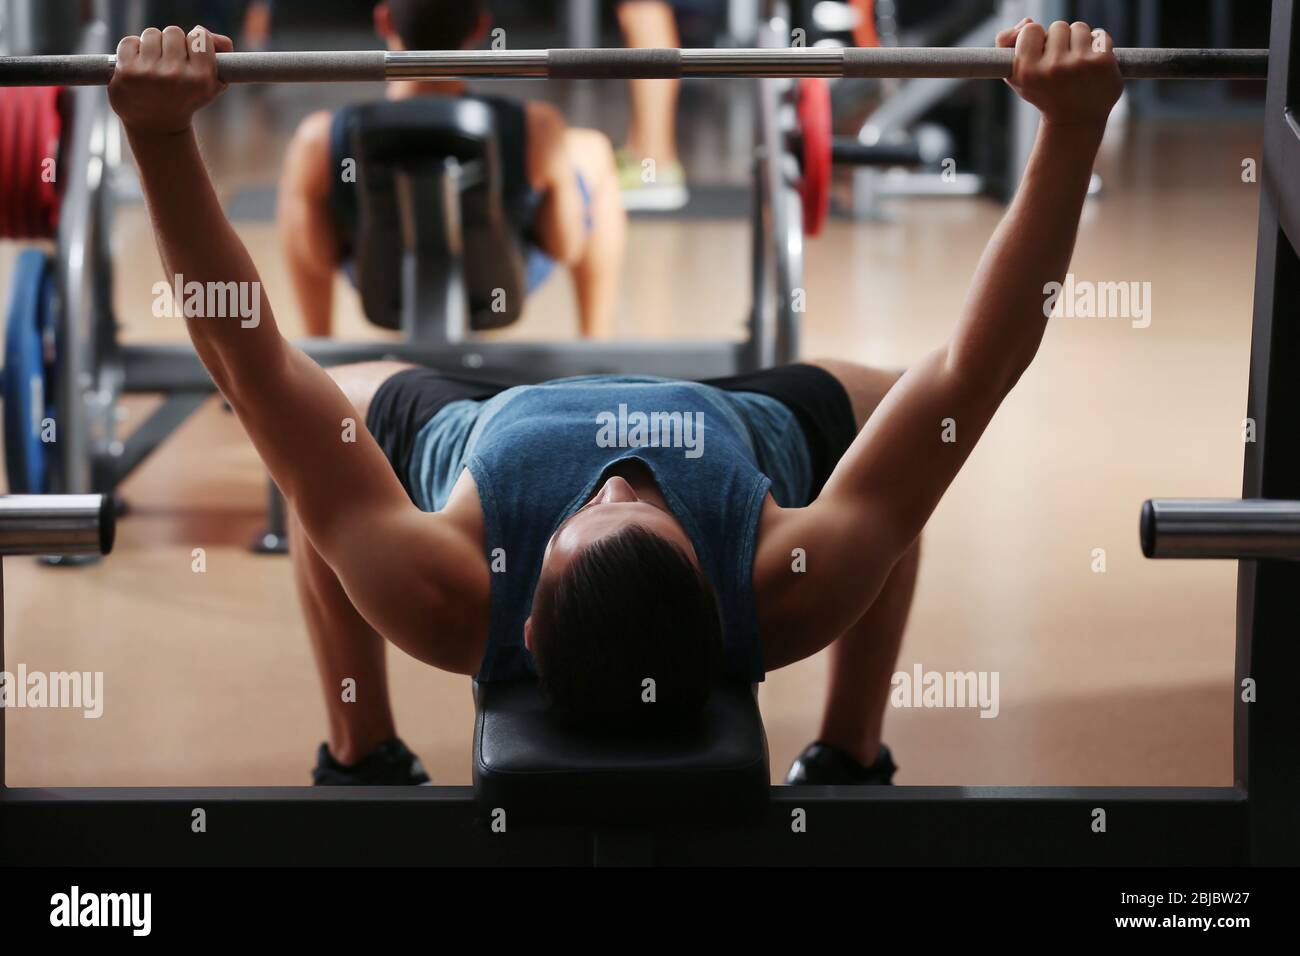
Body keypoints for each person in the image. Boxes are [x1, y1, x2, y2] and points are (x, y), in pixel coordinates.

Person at [107, 17, 1122, 785]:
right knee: (902, 431)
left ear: (526, 625)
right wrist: (1070, 132)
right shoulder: (793, 580)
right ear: (722, 598)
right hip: (742, 434)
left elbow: (249, 360)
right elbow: (974, 371)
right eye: (645, 504)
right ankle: (852, 754)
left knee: (317, 453)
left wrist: (158, 139)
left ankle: (359, 750)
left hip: (473, 437)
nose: (618, 470)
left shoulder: (443, 590)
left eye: (590, 512)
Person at [278, 0, 627, 340]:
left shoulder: (324, 137)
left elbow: (319, 257)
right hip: (498, 286)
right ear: (479, 26)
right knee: (592, 149)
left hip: (384, 288)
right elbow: (565, 246)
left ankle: (318, 347)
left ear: (384, 20)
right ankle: (595, 346)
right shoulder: (536, 127)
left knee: (306, 157)